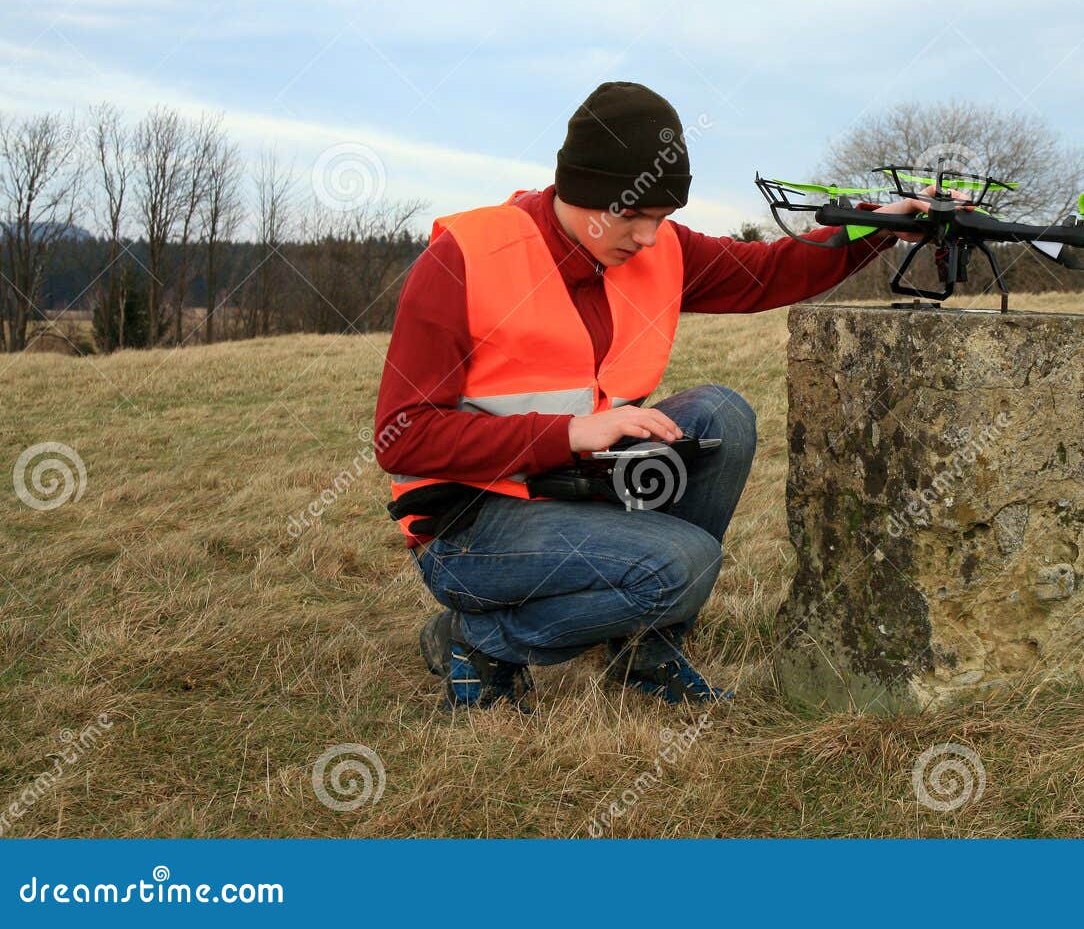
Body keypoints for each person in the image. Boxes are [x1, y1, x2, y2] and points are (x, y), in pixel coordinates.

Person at [373, 81, 936, 709]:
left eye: (661, 217)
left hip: (581, 490)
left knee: (722, 413)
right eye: (632, 216)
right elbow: (404, 435)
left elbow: (774, 270)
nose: (648, 237)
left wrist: (873, 230)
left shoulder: (657, 247)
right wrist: (567, 434)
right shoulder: (466, 259)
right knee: (684, 564)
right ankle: (481, 638)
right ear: (580, 194)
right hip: (470, 525)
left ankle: (645, 647)